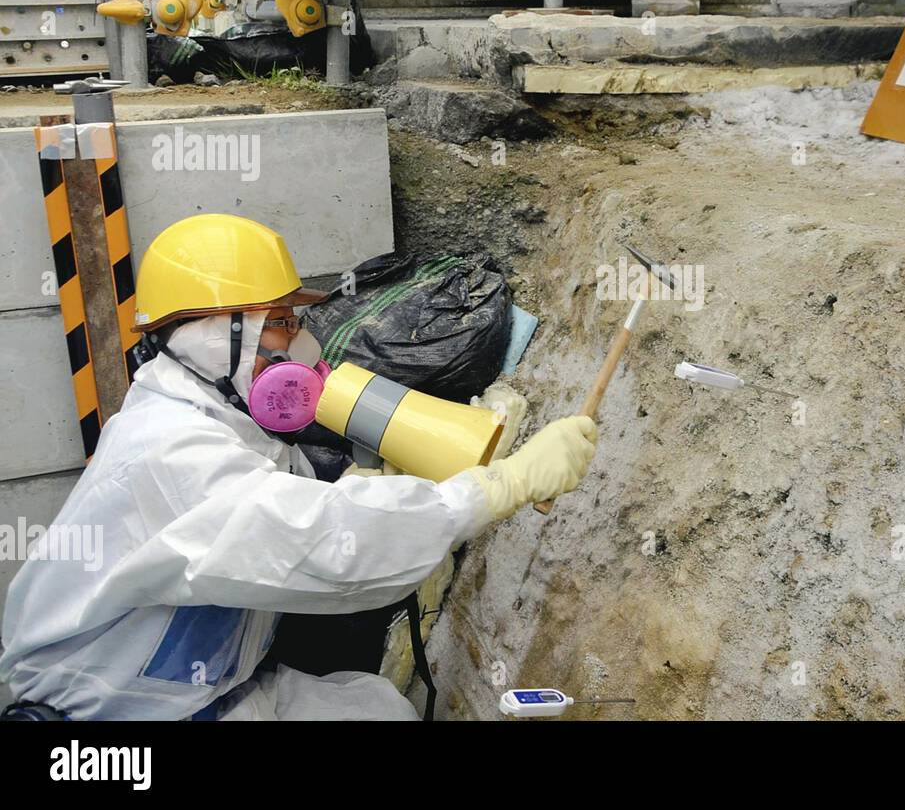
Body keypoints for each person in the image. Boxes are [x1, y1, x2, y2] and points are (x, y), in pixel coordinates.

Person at [0, 213, 596, 720]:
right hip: (108, 717)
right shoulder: (169, 449)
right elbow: (322, 545)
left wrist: (369, 483)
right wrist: (502, 485)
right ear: (219, 336)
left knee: (378, 709)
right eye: (281, 322)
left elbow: (286, 499)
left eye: (293, 319)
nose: (300, 344)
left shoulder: (212, 413)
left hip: (209, 691)